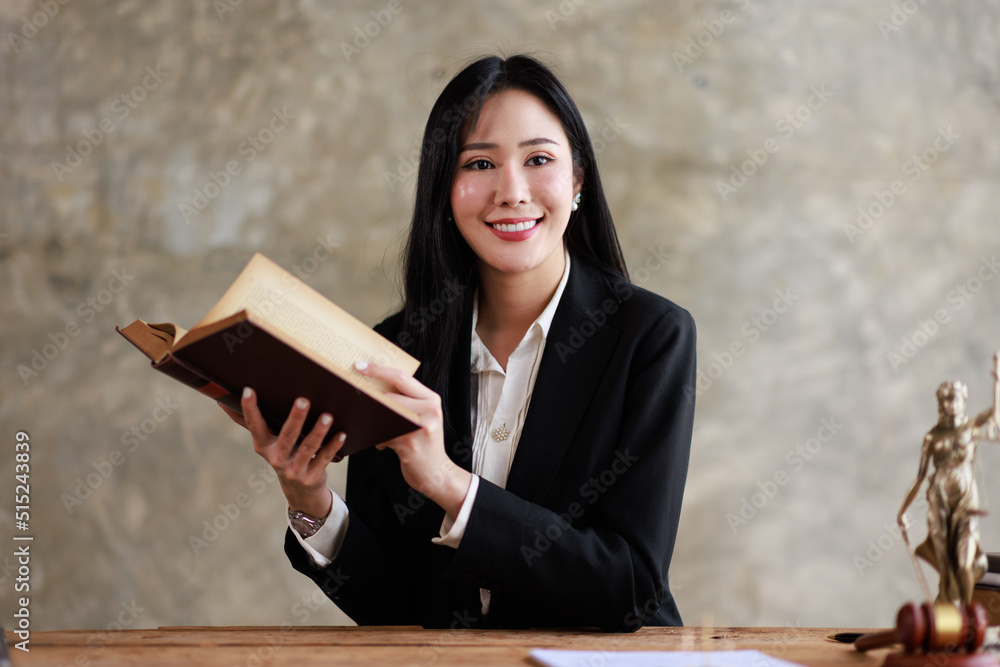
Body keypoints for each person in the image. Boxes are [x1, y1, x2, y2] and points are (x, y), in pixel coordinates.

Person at [220, 54, 696, 631]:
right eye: (479, 164)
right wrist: (309, 499)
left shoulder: (650, 338)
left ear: (577, 182)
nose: (512, 192)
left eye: (539, 159)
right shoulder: (395, 351)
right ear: (444, 190)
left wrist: (447, 484)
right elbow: (394, 610)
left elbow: (630, 587)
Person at [897, 355, 1000, 605]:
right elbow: (920, 477)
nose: (950, 403)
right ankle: (948, 611)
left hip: (965, 499)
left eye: (954, 398)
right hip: (939, 501)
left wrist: (997, 381)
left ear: (963, 400)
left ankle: (963, 616)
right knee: (946, 566)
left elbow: (995, 417)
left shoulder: (970, 428)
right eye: (945, 398)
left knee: (964, 564)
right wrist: (903, 511)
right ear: (940, 403)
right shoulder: (932, 437)